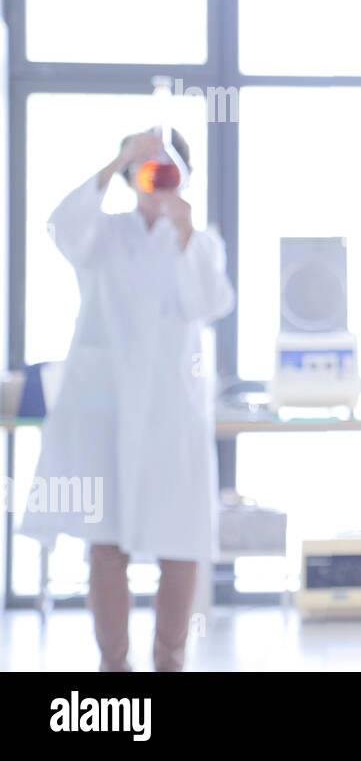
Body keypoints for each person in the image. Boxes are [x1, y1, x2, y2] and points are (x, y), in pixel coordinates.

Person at [20, 128, 236, 670]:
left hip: (171, 414)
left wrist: (185, 234)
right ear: (127, 175)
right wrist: (119, 154)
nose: (156, 178)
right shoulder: (104, 235)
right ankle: (113, 668)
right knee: (107, 545)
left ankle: (170, 660)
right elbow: (60, 224)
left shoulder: (200, 239)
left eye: (167, 168)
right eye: (144, 168)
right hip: (105, 412)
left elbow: (211, 304)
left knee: (180, 542)